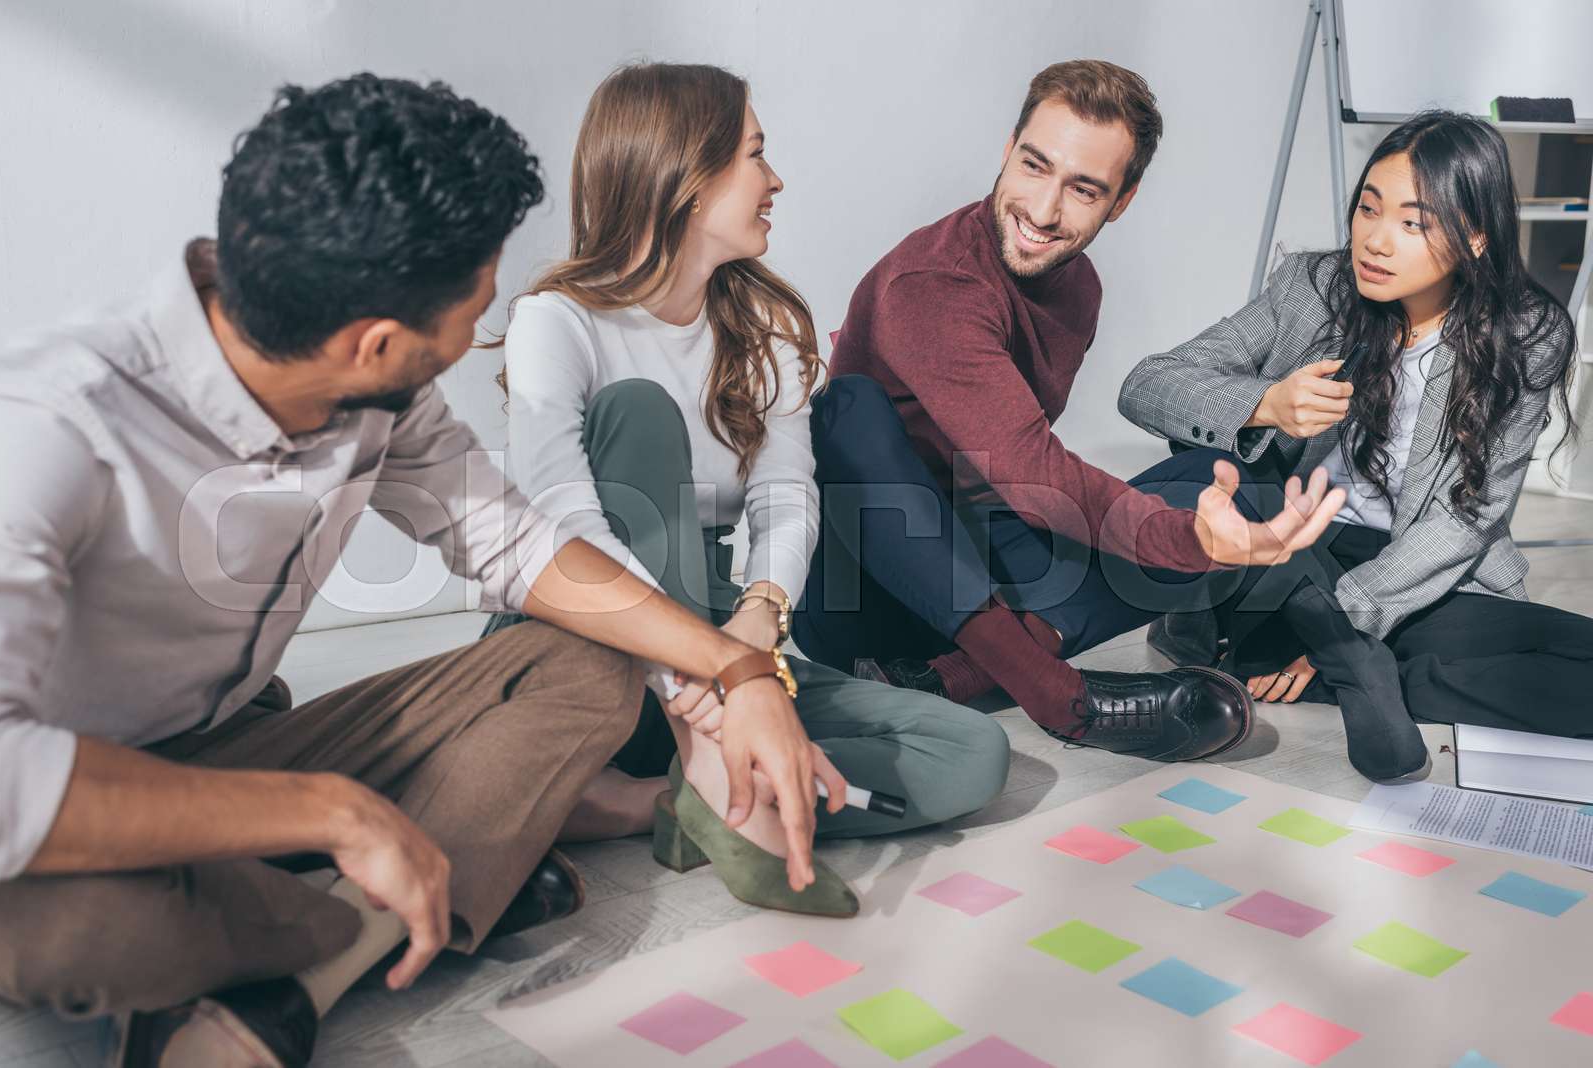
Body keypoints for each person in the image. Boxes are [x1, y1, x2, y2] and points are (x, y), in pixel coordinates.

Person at [0, 74, 851, 1068]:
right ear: (378, 343)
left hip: (235, 744)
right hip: (72, 788)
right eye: (471, 308)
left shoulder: (376, 389)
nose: (479, 331)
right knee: (79, 932)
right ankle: (407, 899)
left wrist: (737, 668)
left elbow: (520, 547)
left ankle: (317, 946)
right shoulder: (48, 430)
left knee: (583, 661)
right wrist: (328, 812)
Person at [482, 63, 1011, 915]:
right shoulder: (558, 322)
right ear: (686, 177)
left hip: (719, 637)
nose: (775, 180)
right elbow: (562, 522)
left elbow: (785, 496)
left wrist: (758, 621)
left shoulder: (762, 327)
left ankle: (645, 802)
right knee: (639, 413)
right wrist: (700, 678)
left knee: (969, 754)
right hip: (584, 642)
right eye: (755, 155)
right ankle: (705, 772)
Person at [793, 60, 1345, 763]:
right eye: (1034, 166)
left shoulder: (1077, 284)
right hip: (866, 594)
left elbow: (1022, 479)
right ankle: (1060, 697)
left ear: (1122, 200)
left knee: (1226, 488)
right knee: (846, 409)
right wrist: (1182, 542)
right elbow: (1029, 468)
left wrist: (1206, 536)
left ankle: (958, 675)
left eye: (1083, 189)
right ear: (1007, 151)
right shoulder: (932, 281)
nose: (1044, 211)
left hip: (980, 559)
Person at [1119, 110, 1587, 748]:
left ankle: (1351, 662)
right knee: (1215, 469)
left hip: (1418, 562)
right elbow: (1148, 384)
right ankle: (1345, 658)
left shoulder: (1526, 334)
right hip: (1292, 549)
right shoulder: (1315, 289)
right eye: (1369, 209)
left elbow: (1467, 516)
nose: (1376, 241)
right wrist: (1267, 405)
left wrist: (1345, 616)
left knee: (1567, 654)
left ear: (1476, 237)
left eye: (1413, 223)